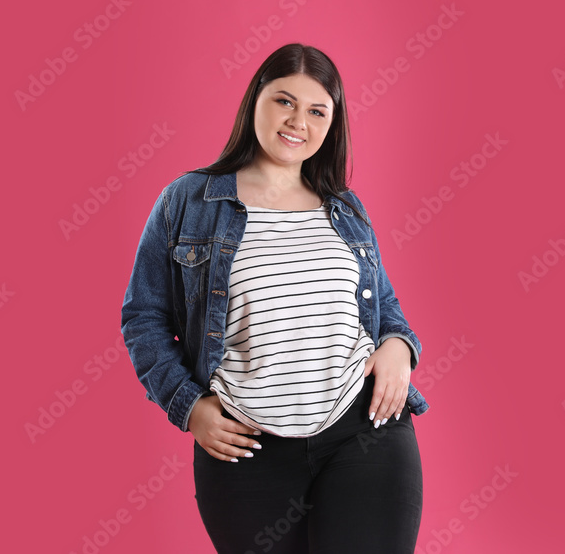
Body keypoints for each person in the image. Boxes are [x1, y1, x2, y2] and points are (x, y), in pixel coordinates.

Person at [120, 42, 428, 553]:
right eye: (284, 101)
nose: (297, 121)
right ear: (255, 100)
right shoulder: (190, 201)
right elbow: (144, 317)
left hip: (363, 430)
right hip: (245, 447)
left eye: (316, 110)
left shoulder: (345, 209)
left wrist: (399, 345)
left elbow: (383, 306)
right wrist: (190, 407)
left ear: (332, 123)